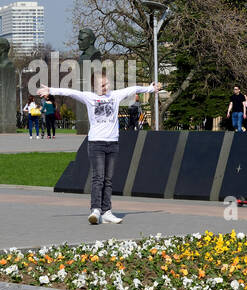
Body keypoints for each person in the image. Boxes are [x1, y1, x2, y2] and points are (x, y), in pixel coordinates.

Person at [42, 74, 161, 224]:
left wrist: (151, 88)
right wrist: (51, 90)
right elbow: (70, 92)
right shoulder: (89, 97)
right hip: (96, 143)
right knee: (98, 177)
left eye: (107, 84)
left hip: (112, 143)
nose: (106, 88)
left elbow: (134, 89)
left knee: (108, 179)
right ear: (95, 87)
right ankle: (96, 210)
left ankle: (107, 212)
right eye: (102, 85)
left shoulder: (115, 95)